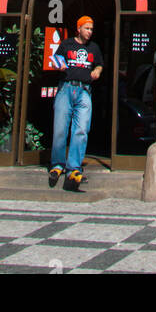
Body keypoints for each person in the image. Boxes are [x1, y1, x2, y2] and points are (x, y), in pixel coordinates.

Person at [48, 16, 103, 192]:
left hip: (84, 91)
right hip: (66, 88)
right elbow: (55, 60)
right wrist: (60, 66)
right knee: (60, 128)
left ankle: (74, 167)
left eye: (91, 29)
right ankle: (57, 164)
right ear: (78, 29)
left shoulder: (94, 48)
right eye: (87, 28)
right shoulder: (66, 45)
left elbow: (100, 64)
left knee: (81, 130)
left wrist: (97, 71)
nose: (90, 32)